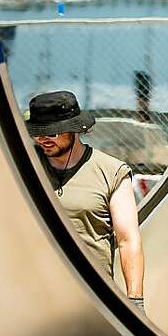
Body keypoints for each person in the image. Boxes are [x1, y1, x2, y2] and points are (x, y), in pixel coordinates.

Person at [26, 89, 145, 311]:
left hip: (93, 297)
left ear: (73, 129)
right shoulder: (24, 165)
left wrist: (135, 302)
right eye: (38, 133)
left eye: (52, 133)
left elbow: (128, 240)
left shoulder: (111, 172)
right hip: (34, 295)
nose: (43, 140)